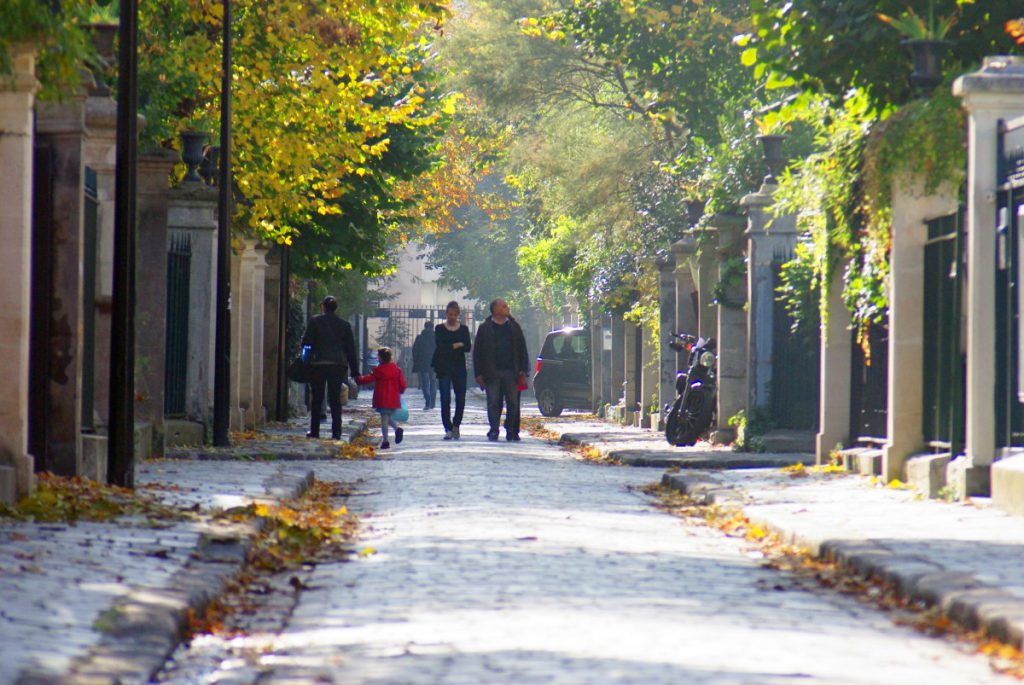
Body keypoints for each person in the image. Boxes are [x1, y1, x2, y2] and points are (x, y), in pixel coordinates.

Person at [300, 295, 359, 440]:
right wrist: (355, 371)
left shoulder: (315, 321)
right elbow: (350, 349)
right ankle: (336, 432)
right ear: (336, 308)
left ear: (323, 307)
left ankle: (315, 431)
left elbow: (307, 342)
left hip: (318, 364)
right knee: (335, 399)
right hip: (337, 365)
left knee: (317, 398)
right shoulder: (344, 325)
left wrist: (303, 359)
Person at [473, 298, 530, 441]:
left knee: (513, 402)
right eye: (504, 306)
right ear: (496, 310)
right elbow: (477, 352)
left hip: (511, 371)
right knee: (493, 402)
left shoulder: (514, 326)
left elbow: (522, 349)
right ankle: (494, 430)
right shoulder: (485, 328)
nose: (507, 308)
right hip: (491, 372)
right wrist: (478, 373)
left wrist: (524, 369)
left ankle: (510, 428)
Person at [432, 301, 472, 440]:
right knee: (445, 398)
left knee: (460, 397)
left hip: (459, 367)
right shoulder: (439, 328)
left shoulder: (463, 329)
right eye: (450, 314)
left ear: (458, 315)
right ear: (446, 314)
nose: (452, 317)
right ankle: (447, 427)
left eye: (455, 314)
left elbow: (467, 347)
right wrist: (456, 345)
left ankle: (456, 424)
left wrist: (455, 346)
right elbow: (440, 346)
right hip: (444, 367)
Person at [355, 347, 407, 449]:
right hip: (393, 399)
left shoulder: (379, 370)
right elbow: (403, 384)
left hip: (382, 398)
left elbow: (369, 379)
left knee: (384, 419)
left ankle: (386, 441)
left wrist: (358, 379)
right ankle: (397, 429)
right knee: (388, 417)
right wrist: (400, 391)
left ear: (381, 358)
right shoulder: (397, 370)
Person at [412, 321, 438, 410]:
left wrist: (416, 361)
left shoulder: (420, 338)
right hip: (434, 364)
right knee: (433, 383)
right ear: (432, 327)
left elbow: (414, 351)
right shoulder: (437, 337)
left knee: (425, 384)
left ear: (424, 327)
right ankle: (433, 403)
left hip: (423, 364)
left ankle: (427, 402)